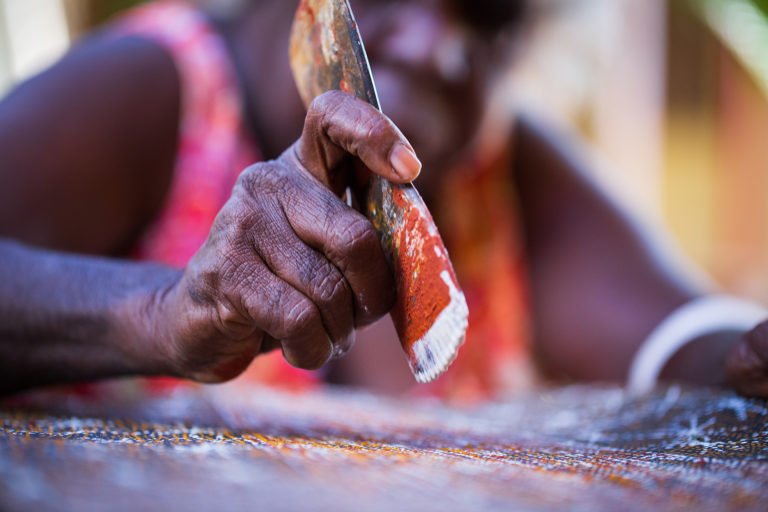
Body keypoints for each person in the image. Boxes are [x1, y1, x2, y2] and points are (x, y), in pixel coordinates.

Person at [0, 0, 765, 399]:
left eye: (489, 12)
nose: (440, 43)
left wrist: (743, 358)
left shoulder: (494, 170)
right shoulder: (155, 91)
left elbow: (678, 338)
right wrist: (161, 312)